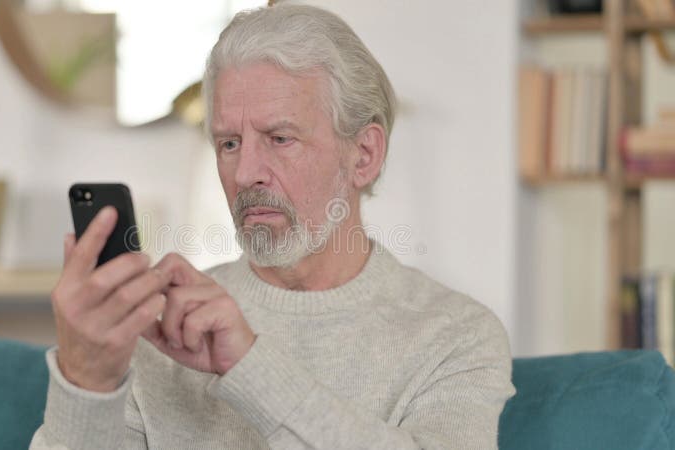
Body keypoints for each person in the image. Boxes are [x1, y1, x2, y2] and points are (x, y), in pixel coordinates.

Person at [29, 4, 516, 449]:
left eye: (280, 138)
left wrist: (250, 367)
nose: (244, 174)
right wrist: (85, 380)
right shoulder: (159, 330)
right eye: (229, 143)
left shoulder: (455, 335)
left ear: (364, 155)